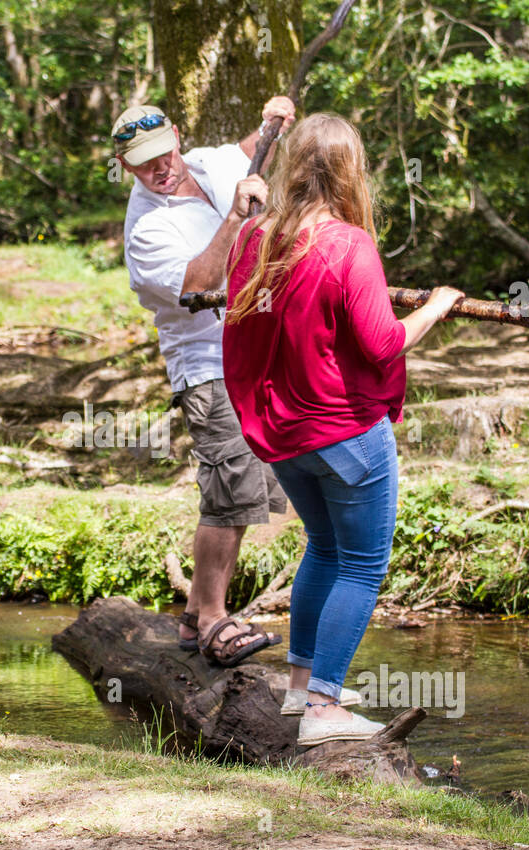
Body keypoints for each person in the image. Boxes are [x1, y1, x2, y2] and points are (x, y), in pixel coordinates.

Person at [222, 113, 464, 744]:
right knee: (360, 563)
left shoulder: (254, 239)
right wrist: (438, 307)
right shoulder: (347, 245)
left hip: (284, 436)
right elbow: (383, 345)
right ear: (352, 170)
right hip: (345, 432)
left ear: (290, 166)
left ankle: (302, 690)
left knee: (324, 549)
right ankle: (325, 709)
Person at [116, 99, 297, 666]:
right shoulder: (147, 228)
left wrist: (274, 119)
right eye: (143, 164)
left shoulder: (203, 161)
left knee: (245, 493)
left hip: (251, 355)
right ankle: (215, 618)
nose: (160, 169)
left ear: (176, 134)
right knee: (227, 494)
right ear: (125, 167)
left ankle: (197, 616)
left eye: (163, 153)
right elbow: (197, 285)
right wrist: (236, 219)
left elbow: (247, 151)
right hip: (208, 368)